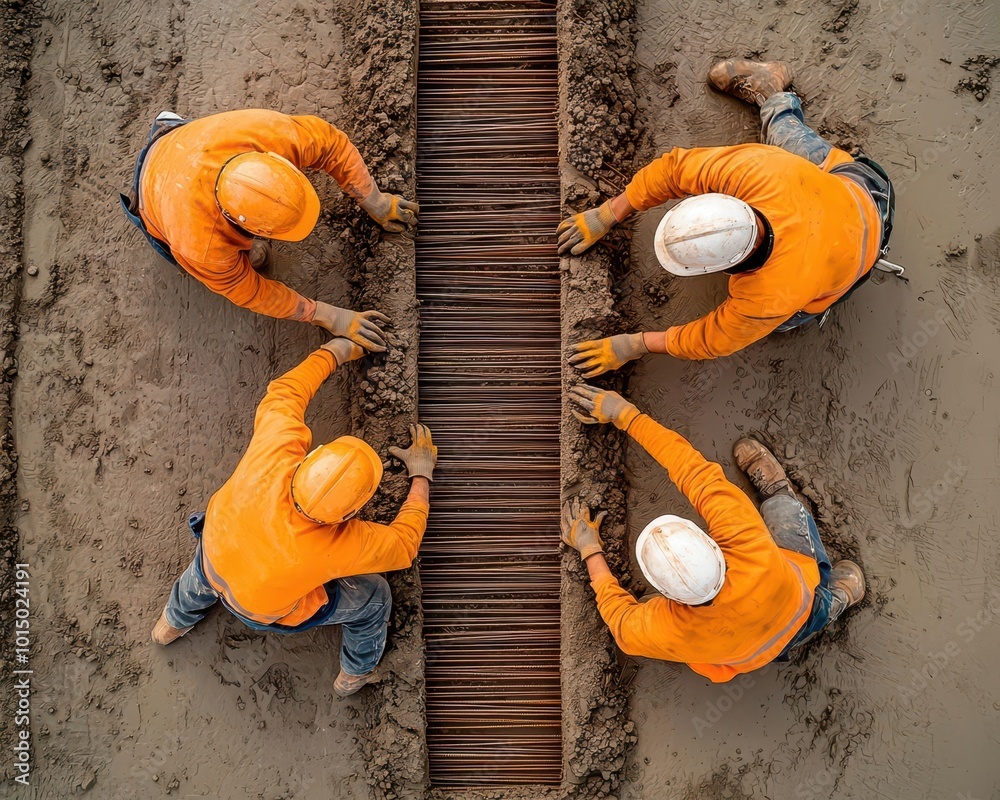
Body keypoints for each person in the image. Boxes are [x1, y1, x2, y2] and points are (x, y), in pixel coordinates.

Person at [560, 59, 895, 369]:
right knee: (783, 133)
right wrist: (607, 214)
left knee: (782, 324)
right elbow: (673, 171)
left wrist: (634, 345)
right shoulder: (758, 170)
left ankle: (776, 98)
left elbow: (709, 340)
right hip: (855, 186)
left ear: (727, 268)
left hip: (867, 230)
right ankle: (775, 97)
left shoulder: (766, 299)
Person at [150, 338, 437, 697]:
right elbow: (403, 544)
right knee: (374, 596)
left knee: (202, 575)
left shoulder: (274, 450)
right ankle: (355, 674)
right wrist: (421, 475)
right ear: (349, 514)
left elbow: (286, 392)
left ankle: (170, 624)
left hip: (214, 552)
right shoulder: (341, 543)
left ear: (309, 459)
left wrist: (336, 349)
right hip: (260, 609)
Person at [562, 383, 864, 682]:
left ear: (665, 595)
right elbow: (694, 471)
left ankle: (835, 598)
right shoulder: (746, 542)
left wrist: (589, 548)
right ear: (712, 545)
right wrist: (627, 415)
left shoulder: (670, 629)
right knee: (785, 516)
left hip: (762, 650)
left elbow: (620, 621)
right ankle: (838, 595)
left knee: (798, 624)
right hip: (800, 603)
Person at [120, 109, 420, 350]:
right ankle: (158, 220)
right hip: (152, 191)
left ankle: (171, 123)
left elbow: (331, 145)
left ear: (275, 161)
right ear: (241, 225)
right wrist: (329, 316)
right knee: (237, 261)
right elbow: (252, 293)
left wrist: (376, 201)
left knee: (255, 255)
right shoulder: (202, 244)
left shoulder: (264, 132)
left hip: (187, 140)